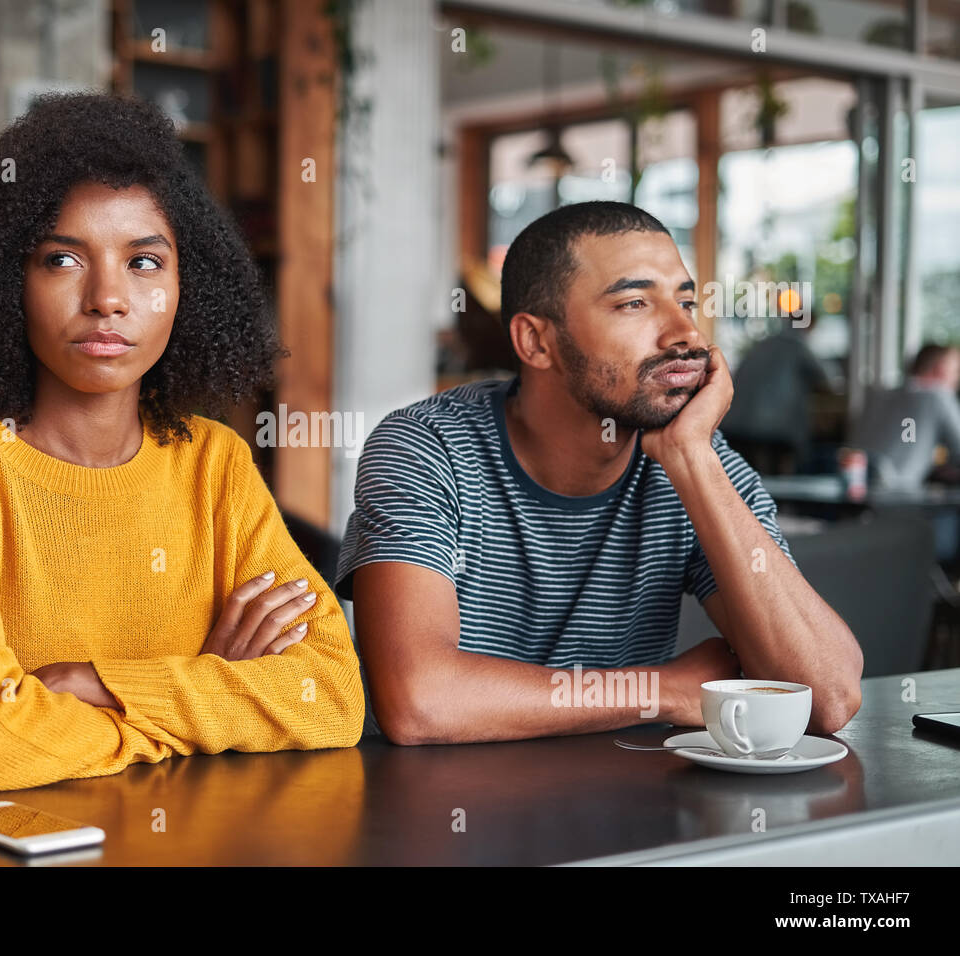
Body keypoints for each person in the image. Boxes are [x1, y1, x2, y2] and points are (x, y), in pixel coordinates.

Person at [0, 93, 364, 793]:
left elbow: (334, 699)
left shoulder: (214, 462)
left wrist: (97, 686)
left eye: (143, 263)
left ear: (185, 287)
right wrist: (205, 687)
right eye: (62, 260)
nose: (108, 297)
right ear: (4, 282)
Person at [336, 201, 862, 746]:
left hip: (625, 812)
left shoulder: (697, 458)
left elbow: (828, 697)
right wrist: (666, 692)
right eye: (635, 303)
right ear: (536, 342)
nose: (684, 334)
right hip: (435, 815)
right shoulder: (429, 446)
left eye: (686, 300)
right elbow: (421, 701)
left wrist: (692, 461)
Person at [720, 308, 831, 475]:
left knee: (745, 481)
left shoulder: (763, 344)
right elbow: (826, 381)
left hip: (736, 425)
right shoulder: (798, 347)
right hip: (775, 431)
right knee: (777, 483)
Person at [851, 344, 960, 490]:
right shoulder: (938, 396)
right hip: (899, 498)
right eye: (956, 371)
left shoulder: (878, 395)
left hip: (855, 489)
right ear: (941, 369)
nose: (957, 379)